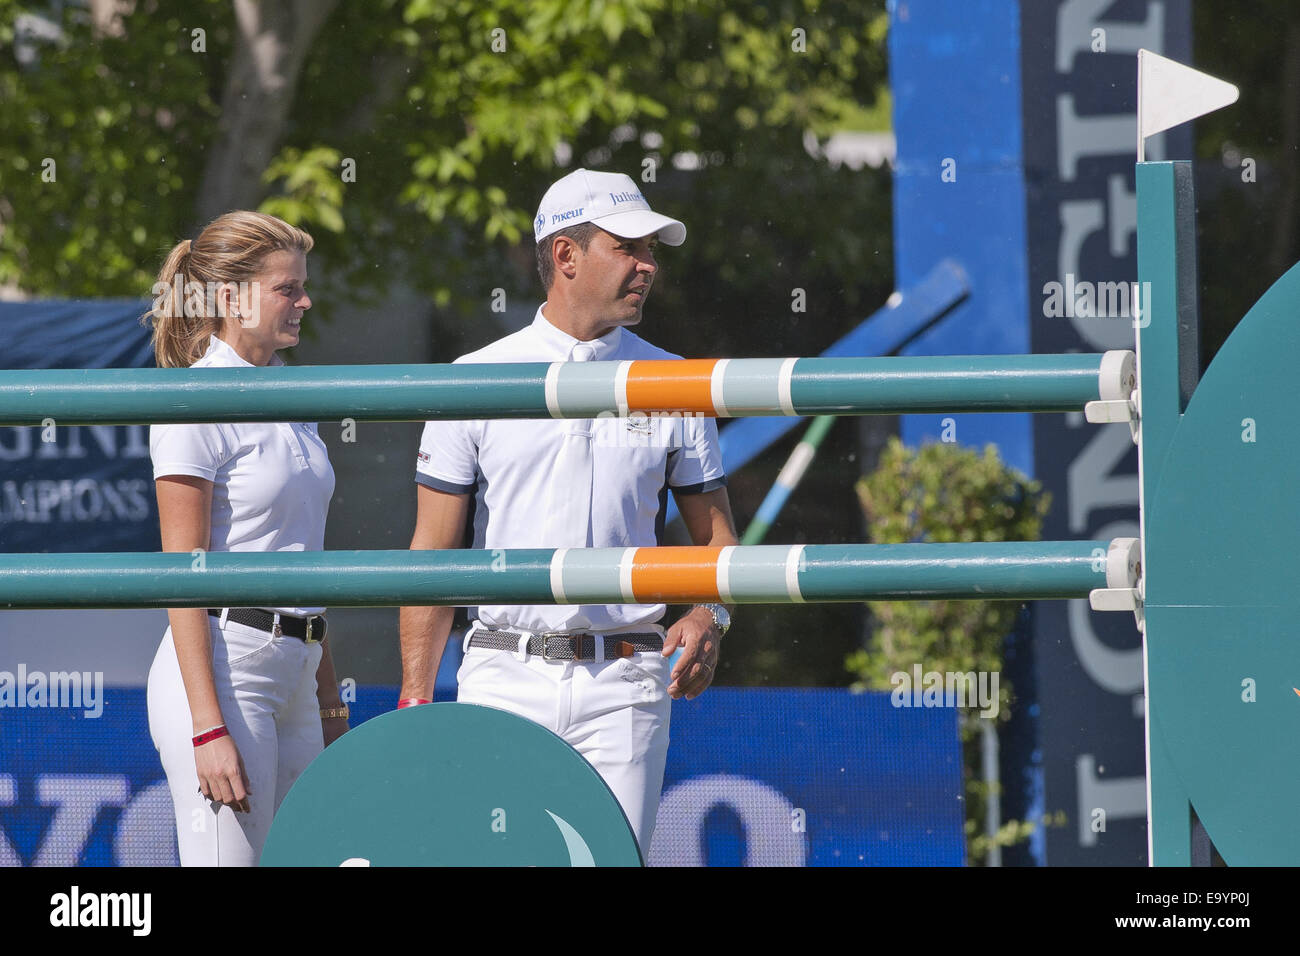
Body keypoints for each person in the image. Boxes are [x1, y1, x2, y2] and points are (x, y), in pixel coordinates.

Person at [399, 169, 739, 851]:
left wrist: (710, 615)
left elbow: (717, 540)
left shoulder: (678, 381)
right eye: (628, 248)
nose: (647, 267)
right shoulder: (471, 378)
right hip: (501, 673)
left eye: (651, 252)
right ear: (565, 256)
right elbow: (431, 556)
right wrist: (414, 701)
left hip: (628, 680)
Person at [144, 211, 348, 866]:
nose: (305, 301)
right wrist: (207, 725)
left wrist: (325, 684)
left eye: (302, 285)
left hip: (299, 670)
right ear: (232, 297)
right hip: (226, 672)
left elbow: (300, 553)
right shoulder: (195, 399)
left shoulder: (292, 397)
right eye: (288, 287)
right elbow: (183, 576)